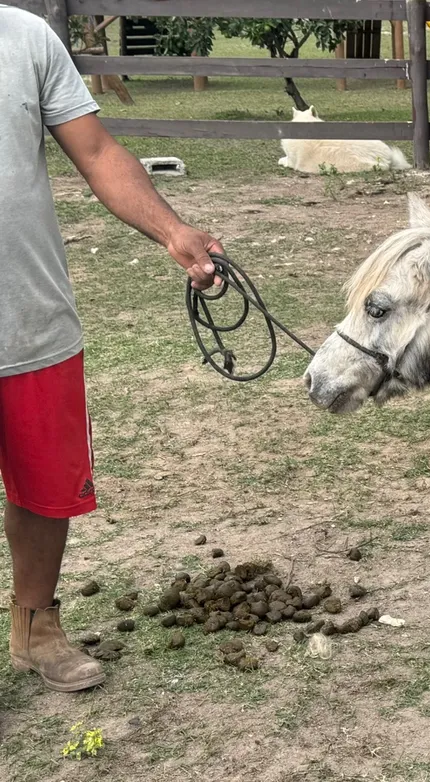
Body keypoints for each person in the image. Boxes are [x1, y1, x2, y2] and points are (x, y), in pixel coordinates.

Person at [2, 5, 222, 692]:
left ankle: (37, 628)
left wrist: (172, 232)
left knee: (45, 487)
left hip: (29, 313)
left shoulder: (26, 37)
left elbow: (97, 153)